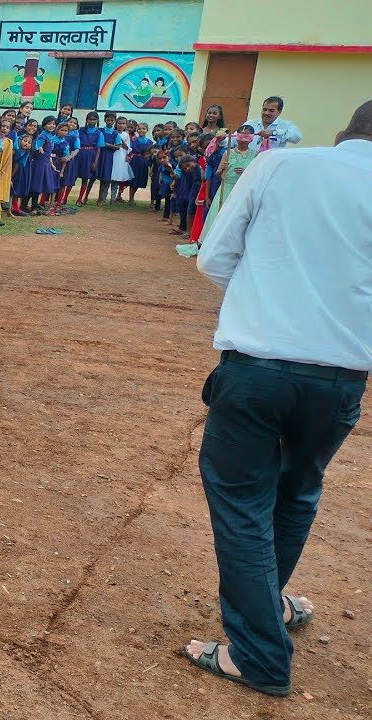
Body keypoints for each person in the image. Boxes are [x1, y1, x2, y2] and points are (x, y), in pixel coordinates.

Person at [184, 100, 372, 699]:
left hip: (258, 366)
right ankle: (266, 607)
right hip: (342, 376)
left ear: (345, 132)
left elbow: (214, 258)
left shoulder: (279, 166)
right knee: (297, 492)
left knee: (242, 503)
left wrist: (266, 301)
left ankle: (261, 654)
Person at [199, 125, 259, 235]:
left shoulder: (255, 154)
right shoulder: (228, 152)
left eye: (246, 137)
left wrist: (246, 171)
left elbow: (257, 175)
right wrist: (222, 168)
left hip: (243, 190)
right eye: (241, 136)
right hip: (226, 188)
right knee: (220, 215)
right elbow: (217, 173)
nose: (243, 140)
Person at [73, 111, 103, 205]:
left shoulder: (99, 133)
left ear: (97, 121)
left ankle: (80, 199)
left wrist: (95, 162)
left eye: (94, 119)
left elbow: (98, 149)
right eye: (90, 119)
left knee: (85, 178)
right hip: (79, 154)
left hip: (90, 155)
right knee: (72, 176)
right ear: (86, 120)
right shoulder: (80, 130)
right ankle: (63, 198)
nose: (92, 121)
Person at [127, 122, 153, 203]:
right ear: (137, 130)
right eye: (139, 129)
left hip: (144, 162)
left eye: (143, 129)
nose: (141, 130)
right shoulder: (133, 139)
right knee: (133, 180)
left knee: (140, 180)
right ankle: (131, 198)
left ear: (147, 130)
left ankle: (132, 197)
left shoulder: (149, 142)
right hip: (135, 161)